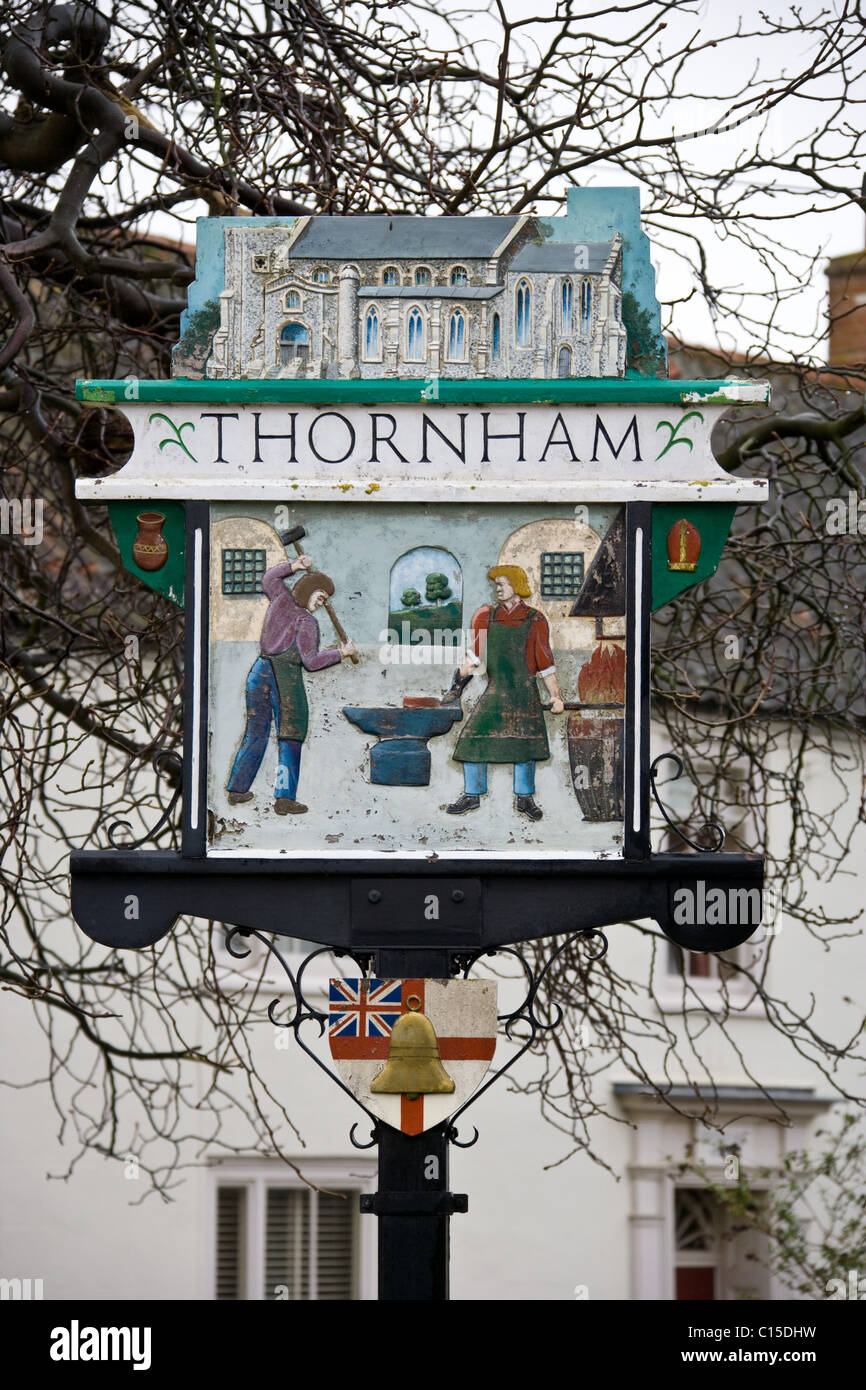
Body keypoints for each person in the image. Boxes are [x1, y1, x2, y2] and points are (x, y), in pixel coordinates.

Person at [226, 554, 356, 814]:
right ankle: (284, 799)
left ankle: (237, 789)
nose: (320, 604)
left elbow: (269, 578)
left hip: (259, 671)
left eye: (324, 601)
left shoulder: (280, 599)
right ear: (308, 591)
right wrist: (340, 654)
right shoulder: (307, 621)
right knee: (291, 736)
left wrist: (294, 565)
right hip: (284, 679)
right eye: (319, 598)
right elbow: (311, 662)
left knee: (256, 731)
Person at [447, 564, 565, 821]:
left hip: (524, 692)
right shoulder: (485, 616)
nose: (497, 589)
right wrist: (459, 680)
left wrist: (555, 696)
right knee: (472, 739)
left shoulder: (535, 619)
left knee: (525, 747)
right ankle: (472, 794)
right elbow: (475, 656)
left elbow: (545, 663)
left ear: (517, 585)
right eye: (495, 585)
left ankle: (525, 798)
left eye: (502, 584)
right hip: (496, 689)